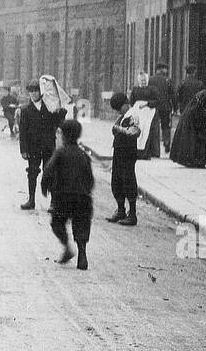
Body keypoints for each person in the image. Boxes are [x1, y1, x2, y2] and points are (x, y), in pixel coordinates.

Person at [42, 119, 94, 270]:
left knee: (57, 223)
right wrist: (86, 192)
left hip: (63, 197)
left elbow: (48, 171)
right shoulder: (84, 155)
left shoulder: (60, 153)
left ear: (63, 135)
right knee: (81, 225)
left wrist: (45, 186)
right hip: (82, 197)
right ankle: (82, 253)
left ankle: (67, 247)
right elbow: (89, 178)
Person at [18, 80, 67, 210]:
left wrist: (61, 111)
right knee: (32, 173)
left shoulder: (49, 107)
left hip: (48, 146)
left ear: (41, 92)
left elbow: (59, 121)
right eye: (31, 91)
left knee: (50, 173)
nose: (33, 94)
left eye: (36, 91)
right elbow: (22, 132)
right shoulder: (26, 110)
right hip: (33, 147)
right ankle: (31, 200)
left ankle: (53, 202)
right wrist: (23, 149)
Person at [169, 79, 206, 169]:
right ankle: (196, 160)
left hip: (194, 119)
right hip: (192, 120)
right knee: (195, 140)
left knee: (197, 140)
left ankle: (199, 160)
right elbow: (197, 109)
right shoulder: (205, 95)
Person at [106, 93, 140, 225]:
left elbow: (135, 132)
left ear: (126, 104)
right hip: (119, 150)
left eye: (120, 108)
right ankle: (120, 210)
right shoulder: (124, 116)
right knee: (117, 179)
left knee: (128, 180)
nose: (119, 111)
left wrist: (118, 129)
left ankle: (132, 214)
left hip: (128, 151)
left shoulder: (133, 115)